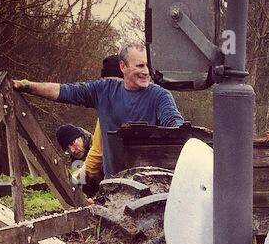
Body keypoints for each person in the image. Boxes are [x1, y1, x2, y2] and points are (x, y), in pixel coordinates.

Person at [13, 40, 183, 177]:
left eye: (148, 66)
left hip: (150, 181)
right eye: (139, 66)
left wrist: (182, 132)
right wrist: (28, 86)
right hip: (114, 184)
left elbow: (175, 125)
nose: (146, 72)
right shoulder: (104, 91)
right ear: (123, 67)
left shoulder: (161, 96)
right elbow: (66, 91)